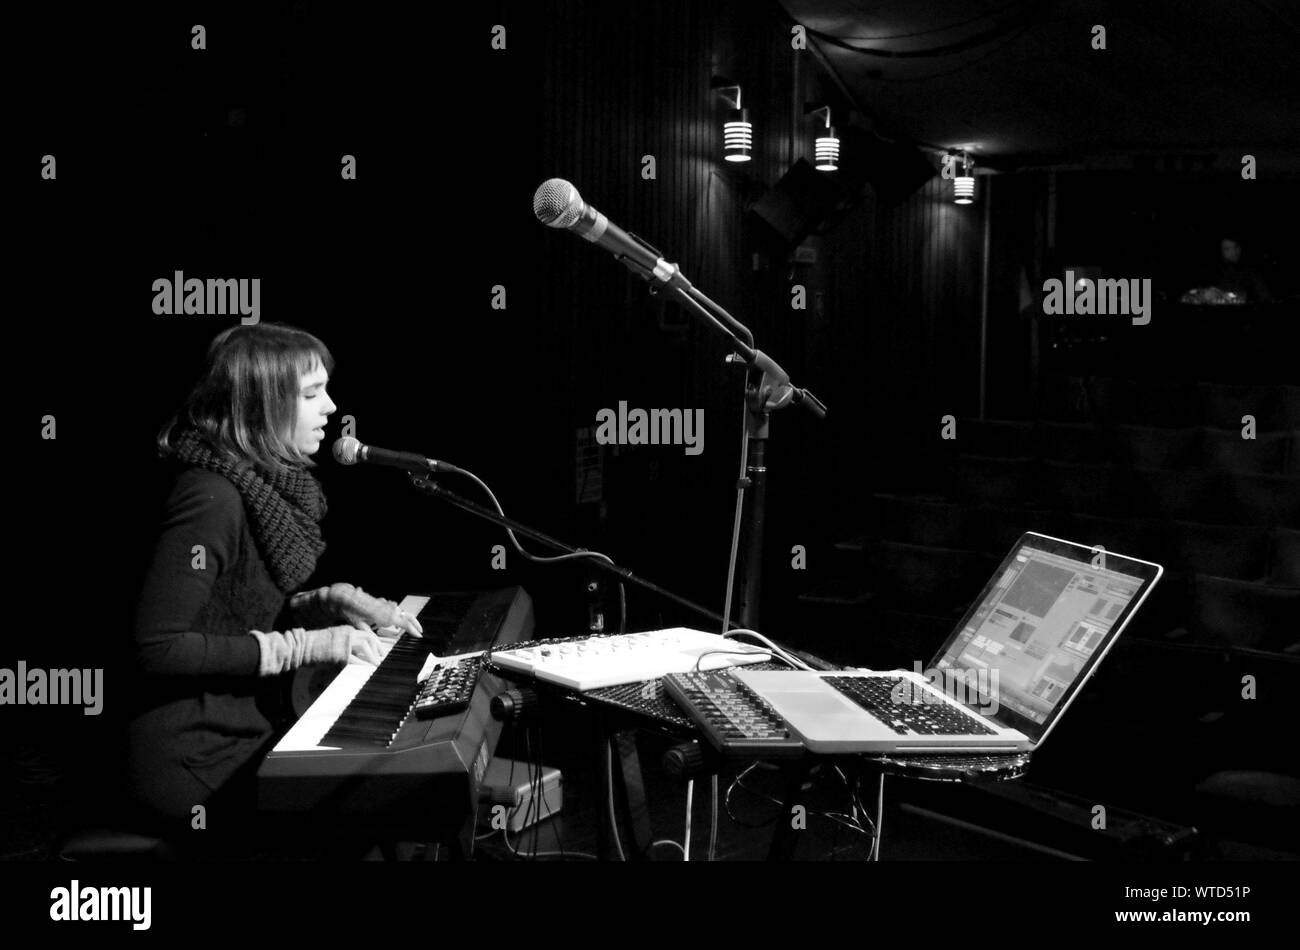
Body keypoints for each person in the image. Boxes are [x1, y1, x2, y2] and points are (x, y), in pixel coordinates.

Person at [123, 322, 423, 844]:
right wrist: (305, 645)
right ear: (260, 405)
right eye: (311, 393)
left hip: (241, 733)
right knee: (370, 813)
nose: (331, 407)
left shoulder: (261, 485)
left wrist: (329, 602)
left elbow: (233, 613)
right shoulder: (209, 498)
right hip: (194, 762)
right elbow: (156, 647)